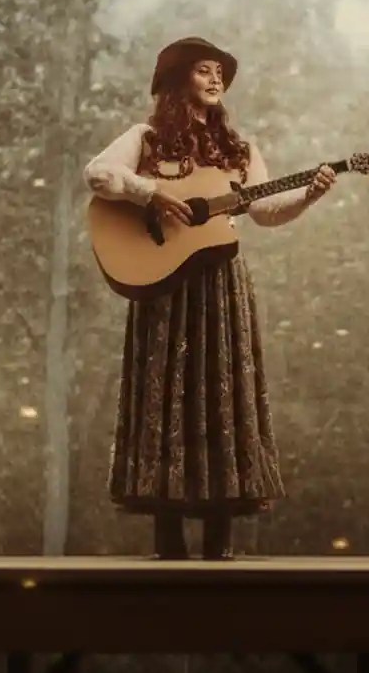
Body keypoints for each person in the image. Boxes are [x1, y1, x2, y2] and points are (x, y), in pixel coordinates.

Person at [83, 37, 336, 560]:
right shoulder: (145, 137)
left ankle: (221, 542)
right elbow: (99, 175)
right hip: (165, 286)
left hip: (221, 287)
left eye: (220, 72)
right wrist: (151, 193)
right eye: (204, 71)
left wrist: (310, 192)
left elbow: (265, 212)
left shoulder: (240, 151)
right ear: (178, 82)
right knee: (165, 393)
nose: (216, 79)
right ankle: (168, 543)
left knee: (225, 396)